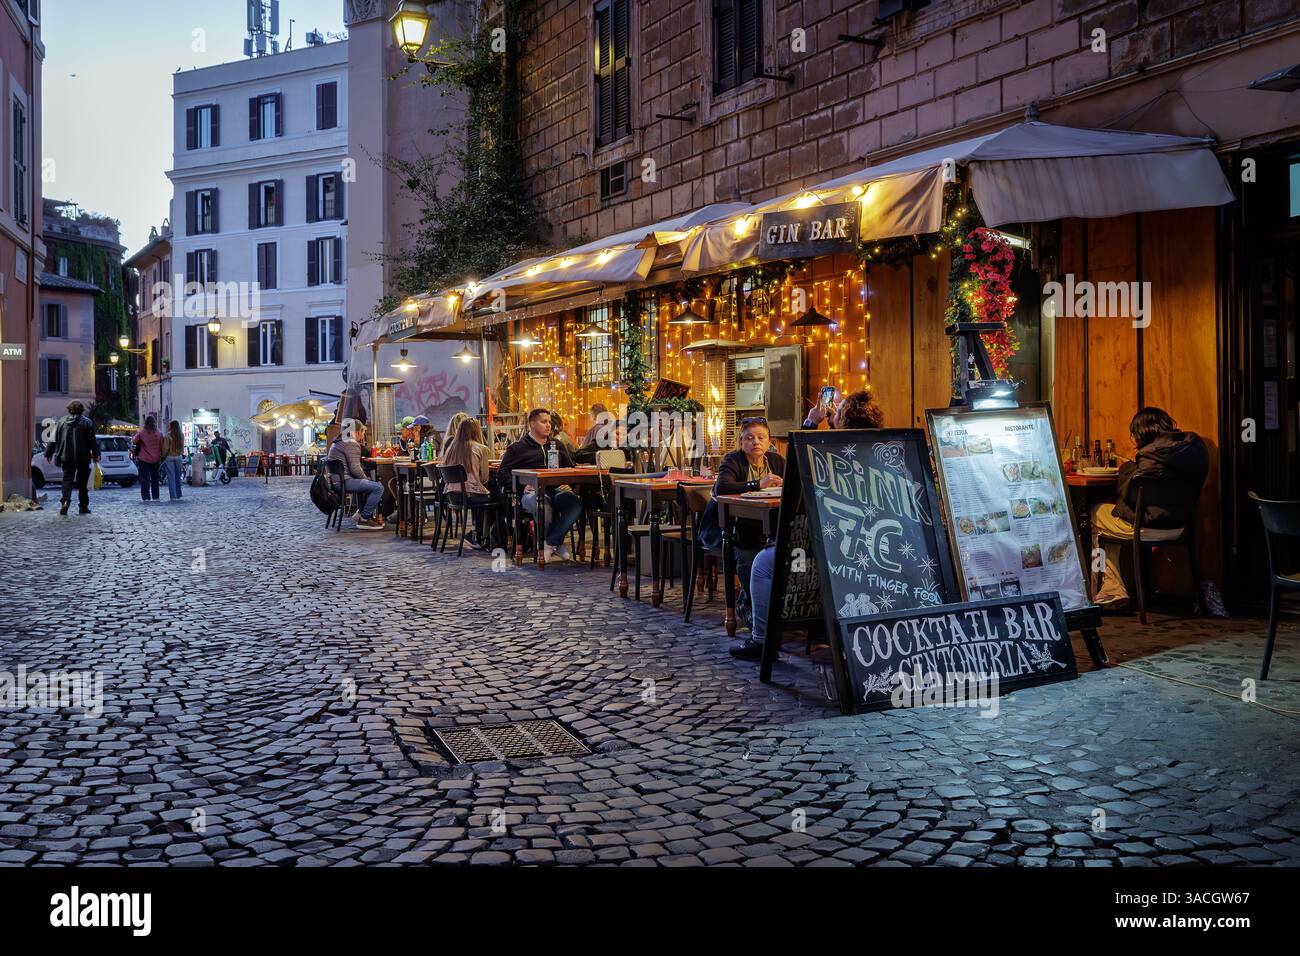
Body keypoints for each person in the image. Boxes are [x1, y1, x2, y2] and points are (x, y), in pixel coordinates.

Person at [734, 389, 886, 660]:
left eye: (837, 412)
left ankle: (762, 640)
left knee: (764, 564)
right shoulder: (885, 450)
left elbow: (796, 469)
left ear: (842, 421)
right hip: (874, 553)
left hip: (820, 554)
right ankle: (819, 632)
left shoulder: (828, 453)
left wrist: (811, 423)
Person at [1091, 406, 1208, 610]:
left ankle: (1112, 590)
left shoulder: (1150, 458)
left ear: (1140, 433)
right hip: (1181, 526)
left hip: (1149, 527)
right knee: (1110, 523)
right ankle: (1114, 588)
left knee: (1096, 513)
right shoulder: (1194, 449)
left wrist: (1127, 468)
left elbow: (1131, 493)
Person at [698, 418, 785, 639]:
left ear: (769, 441)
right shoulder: (733, 460)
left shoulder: (776, 460)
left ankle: (780, 609)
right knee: (748, 553)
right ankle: (749, 605)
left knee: (790, 553)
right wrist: (758, 484)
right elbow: (723, 487)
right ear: (741, 442)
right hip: (728, 529)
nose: (755, 442)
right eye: (749, 438)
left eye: (760, 437)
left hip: (764, 528)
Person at [498, 407, 583, 561]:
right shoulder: (517, 448)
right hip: (529, 494)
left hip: (555, 490)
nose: (548, 425)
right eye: (544, 422)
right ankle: (555, 544)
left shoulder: (556, 444)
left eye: (549, 422)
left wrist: (568, 483)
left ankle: (551, 542)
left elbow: (571, 468)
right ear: (532, 424)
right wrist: (522, 486)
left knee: (575, 504)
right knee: (544, 504)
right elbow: (502, 474)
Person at [325, 419, 386, 530]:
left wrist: (366, 480)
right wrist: (367, 479)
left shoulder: (339, 441)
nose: (363, 435)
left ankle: (359, 514)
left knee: (368, 484)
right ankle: (364, 518)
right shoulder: (351, 443)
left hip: (335, 481)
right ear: (357, 432)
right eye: (362, 432)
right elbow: (355, 469)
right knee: (378, 487)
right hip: (343, 482)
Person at [443, 417, 494, 548]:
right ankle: (486, 536)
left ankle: (477, 534)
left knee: (482, 494)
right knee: (496, 498)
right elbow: (484, 478)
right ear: (477, 431)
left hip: (451, 496)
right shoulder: (480, 448)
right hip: (469, 496)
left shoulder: (450, 449)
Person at [45, 401, 99, 515]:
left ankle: (65, 502)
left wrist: (49, 453)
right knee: (83, 482)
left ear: (69, 410)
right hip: (83, 457)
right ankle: (83, 506)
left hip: (66, 456)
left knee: (67, 480)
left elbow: (53, 438)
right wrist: (96, 454)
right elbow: (92, 441)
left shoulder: (61, 422)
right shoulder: (87, 423)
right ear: (82, 410)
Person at [130, 416, 165, 502]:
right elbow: (162, 446)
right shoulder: (159, 434)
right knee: (155, 479)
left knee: (145, 479)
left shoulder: (142, 433)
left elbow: (134, 442)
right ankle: (156, 496)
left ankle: (146, 497)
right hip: (156, 459)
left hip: (144, 459)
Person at [161, 420, 186, 501]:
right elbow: (182, 447)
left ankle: (173, 496)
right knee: (178, 476)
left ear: (171, 426)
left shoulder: (168, 436)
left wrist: (163, 457)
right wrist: (180, 453)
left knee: (171, 477)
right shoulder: (181, 435)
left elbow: (165, 448)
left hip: (169, 457)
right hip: (178, 457)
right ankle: (179, 494)